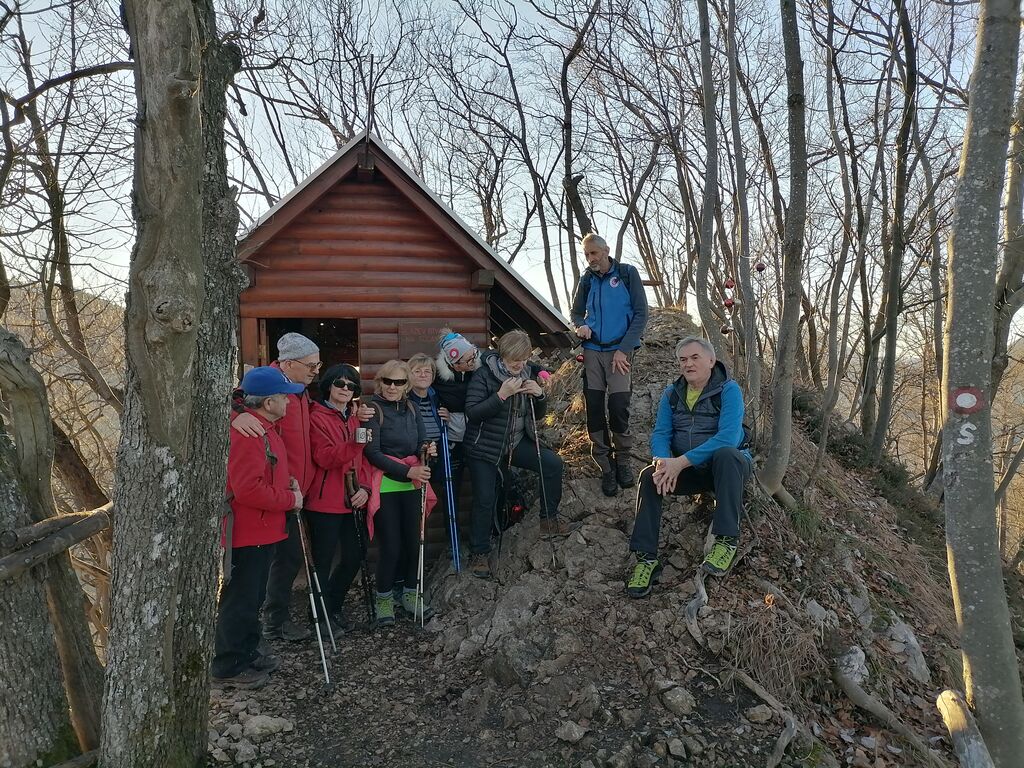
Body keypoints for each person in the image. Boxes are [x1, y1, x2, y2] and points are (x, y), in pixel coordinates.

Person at [626, 337, 752, 598]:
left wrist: (680, 462)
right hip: (691, 470)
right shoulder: (672, 394)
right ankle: (646, 559)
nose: (688, 363)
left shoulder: (729, 390)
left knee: (727, 454)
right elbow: (661, 433)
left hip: (726, 469)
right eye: (683, 359)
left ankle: (726, 540)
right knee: (650, 476)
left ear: (710, 360)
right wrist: (662, 463)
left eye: (695, 357)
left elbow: (728, 437)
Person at [213, 366, 306, 689]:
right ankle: (228, 665)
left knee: (252, 597)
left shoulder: (264, 427)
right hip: (248, 531)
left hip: (263, 529)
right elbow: (247, 489)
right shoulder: (248, 433)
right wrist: (289, 498)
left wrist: (286, 483)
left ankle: (247, 651)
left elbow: (265, 474)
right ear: (268, 402)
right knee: (241, 598)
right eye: (284, 397)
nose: (289, 402)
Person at [232, 332, 320, 642]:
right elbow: (232, 403)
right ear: (290, 364)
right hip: (275, 494)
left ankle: (268, 624)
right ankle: (269, 624)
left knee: (287, 557)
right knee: (277, 560)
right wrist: (235, 416)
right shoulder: (265, 384)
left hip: (294, 492)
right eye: (311, 365)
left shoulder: (300, 392)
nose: (315, 370)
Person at [464, 330, 572, 579]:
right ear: (502, 357)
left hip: (516, 442)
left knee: (552, 464)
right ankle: (479, 552)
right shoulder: (484, 375)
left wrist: (540, 395)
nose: (519, 365)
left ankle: (549, 520)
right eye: (515, 361)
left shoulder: (527, 372)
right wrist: (501, 395)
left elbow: (539, 413)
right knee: (485, 497)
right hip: (484, 448)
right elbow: (472, 413)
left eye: (523, 360)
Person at [570, 232, 649, 497]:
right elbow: (575, 312)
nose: (591, 258)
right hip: (592, 352)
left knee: (618, 407)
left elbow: (641, 313)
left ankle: (623, 461)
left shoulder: (627, 274)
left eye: (594, 253)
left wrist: (624, 349)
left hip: (620, 352)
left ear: (605, 251)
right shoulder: (586, 280)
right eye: (586, 254)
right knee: (594, 409)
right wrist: (580, 326)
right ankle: (606, 466)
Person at [363, 360, 437, 625]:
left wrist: (427, 450)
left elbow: (421, 442)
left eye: (399, 382)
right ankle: (384, 598)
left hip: (412, 484)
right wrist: (408, 472)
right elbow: (372, 453)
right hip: (386, 485)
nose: (392, 387)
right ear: (380, 382)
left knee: (415, 544)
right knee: (391, 545)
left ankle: (410, 594)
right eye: (387, 381)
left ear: (407, 385)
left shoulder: (412, 408)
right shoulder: (372, 409)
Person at [306, 363, 374, 635]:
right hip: (324, 502)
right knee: (322, 561)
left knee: (355, 555)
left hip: (352, 499)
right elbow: (324, 457)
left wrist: (366, 488)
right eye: (340, 384)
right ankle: (319, 618)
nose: (345, 389)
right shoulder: (316, 416)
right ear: (328, 385)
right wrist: (355, 444)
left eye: (351, 386)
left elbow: (363, 460)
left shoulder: (355, 417)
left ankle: (333, 606)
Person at [433, 329, 480, 517]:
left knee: (484, 485)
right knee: (451, 488)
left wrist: (536, 369)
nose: (474, 361)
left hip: (476, 435)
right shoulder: (438, 377)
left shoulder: (479, 369)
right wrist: (440, 412)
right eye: (468, 360)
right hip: (452, 439)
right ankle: (452, 540)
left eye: (474, 355)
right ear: (453, 363)